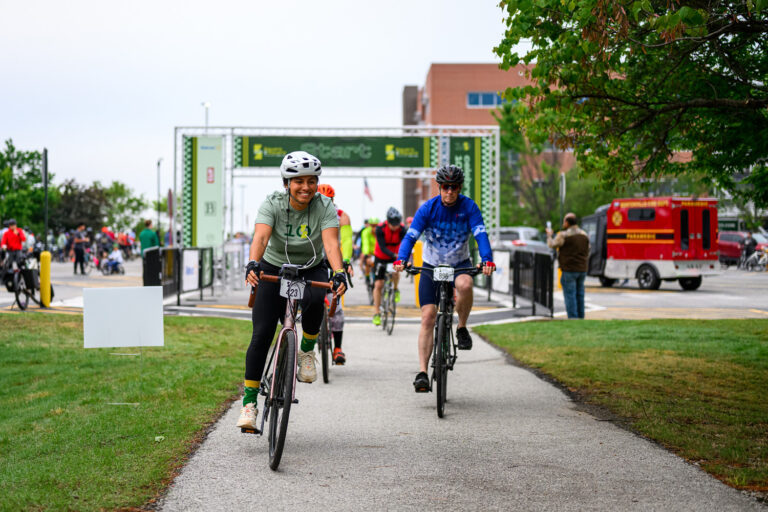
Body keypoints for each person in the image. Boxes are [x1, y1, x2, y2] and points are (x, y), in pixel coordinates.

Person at [238, 151, 348, 430]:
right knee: (262, 333)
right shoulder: (272, 203)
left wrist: (338, 272)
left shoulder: (324, 206)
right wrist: (253, 262)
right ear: (286, 183)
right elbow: (261, 236)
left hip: (311, 266)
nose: (306, 187)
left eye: (312, 181)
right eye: (299, 181)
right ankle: (249, 405)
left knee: (315, 301)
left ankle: (307, 351)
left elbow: (332, 244)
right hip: (274, 267)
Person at [393, 165, 495, 393]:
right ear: (439, 187)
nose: (450, 191)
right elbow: (411, 236)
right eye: (445, 187)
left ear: (459, 188)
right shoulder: (427, 209)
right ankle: (422, 373)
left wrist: (487, 259)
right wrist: (401, 258)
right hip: (431, 265)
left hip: (459, 264)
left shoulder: (469, 207)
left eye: (454, 187)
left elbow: (480, 234)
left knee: (466, 284)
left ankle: (461, 327)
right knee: (428, 316)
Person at [317, 183, 354, 364]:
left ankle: (338, 348)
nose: (326, 204)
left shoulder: (342, 217)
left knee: (336, 308)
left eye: (329, 200)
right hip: (314, 261)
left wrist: (345, 261)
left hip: (333, 261)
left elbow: (346, 241)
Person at [547, 212, 590, 319]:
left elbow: (552, 245)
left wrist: (549, 235)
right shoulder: (584, 235)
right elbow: (588, 249)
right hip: (582, 269)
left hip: (569, 269)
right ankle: (581, 317)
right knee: (580, 294)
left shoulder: (563, 235)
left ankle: (573, 318)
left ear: (567, 223)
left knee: (570, 295)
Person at [371, 207, 406, 326]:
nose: (395, 227)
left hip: (394, 256)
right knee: (378, 284)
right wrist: (393, 254)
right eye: (393, 225)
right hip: (381, 256)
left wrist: (401, 257)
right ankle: (376, 313)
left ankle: (395, 289)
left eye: (397, 224)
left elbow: (403, 244)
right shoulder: (380, 228)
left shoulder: (402, 229)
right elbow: (382, 246)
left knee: (396, 272)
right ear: (388, 222)